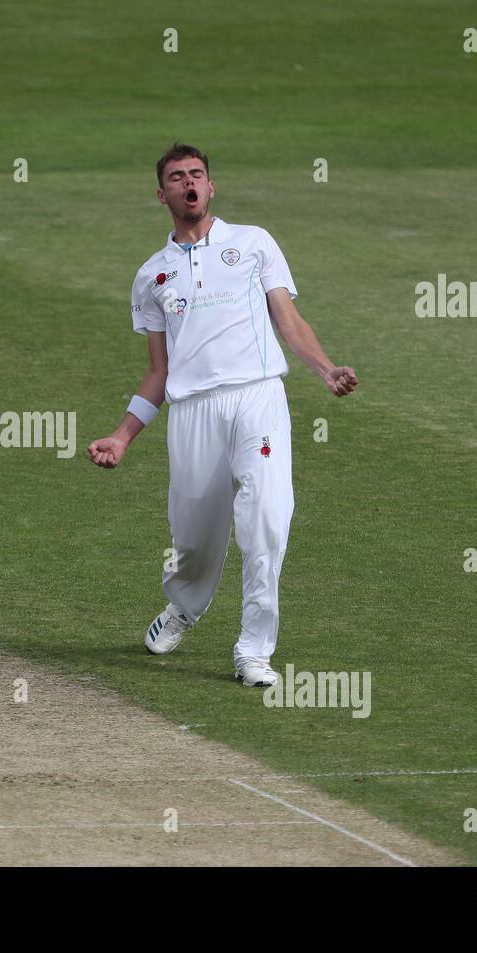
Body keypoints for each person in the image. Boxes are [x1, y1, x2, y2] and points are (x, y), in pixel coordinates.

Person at [87, 144, 357, 687]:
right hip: (192, 413)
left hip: (257, 398)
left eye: (197, 175)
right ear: (161, 194)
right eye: (176, 177)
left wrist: (324, 369)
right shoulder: (151, 278)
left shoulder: (254, 244)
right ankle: (184, 607)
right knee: (194, 540)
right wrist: (122, 436)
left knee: (267, 521)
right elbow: (158, 372)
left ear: (211, 187)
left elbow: (289, 321)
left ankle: (255, 650)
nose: (189, 183)